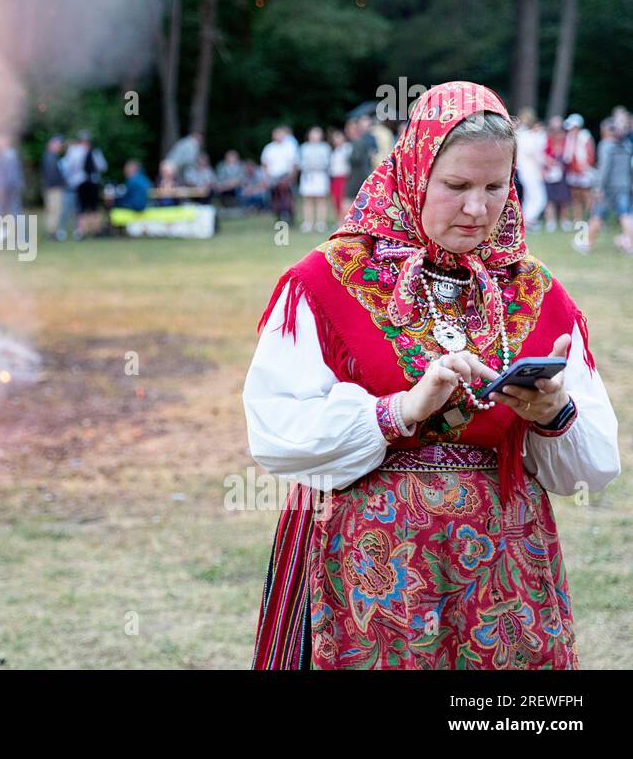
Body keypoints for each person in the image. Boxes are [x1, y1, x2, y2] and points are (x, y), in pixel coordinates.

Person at [244, 81, 620, 670]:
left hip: (501, 583)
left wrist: (554, 414)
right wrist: (400, 411)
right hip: (367, 577)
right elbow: (276, 432)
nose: (478, 209)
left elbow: (593, 469)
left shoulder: (534, 293)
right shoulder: (327, 281)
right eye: (456, 186)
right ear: (415, 169)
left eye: (497, 187)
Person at [587, 116, 633, 254]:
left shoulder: (606, 145)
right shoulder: (627, 145)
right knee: (625, 215)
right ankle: (630, 245)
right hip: (624, 185)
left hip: (608, 187)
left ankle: (587, 243)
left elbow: (604, 168)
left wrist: (598, 187)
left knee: (597, 214)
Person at [562, 114, 595, 236]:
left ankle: (592, 220)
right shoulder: (570, 138)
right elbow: (568, 155)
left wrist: (586, 166)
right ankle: (578, 221)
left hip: (583, 171)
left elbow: (590, 154)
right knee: (575, 197)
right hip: (573, 171)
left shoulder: (585, 137)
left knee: (587, 196)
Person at [296, 126, 332, 233]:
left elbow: (328, 162)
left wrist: (318, 166)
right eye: (313, 133)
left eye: (318, 134)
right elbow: (299, 162)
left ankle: (321, 223)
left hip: (320, 175)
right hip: (307, 176)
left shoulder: (325, 147)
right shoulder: (304, 147)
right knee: (308, 200)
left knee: (321, 199)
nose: (315, 136)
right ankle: (308, 222)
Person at [261, 126, 298, 223]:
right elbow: (264, 164)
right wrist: (266, 177)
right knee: (275, 199)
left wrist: (292, 177)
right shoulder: (269, 148)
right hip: (273, 176)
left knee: (288, 199)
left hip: (286, 175)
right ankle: (278, 218)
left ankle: (290, 218)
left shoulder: (290, 147)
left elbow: (294, 163)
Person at [542, 116, 571, 232]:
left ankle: (564, 220)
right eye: (554, 130)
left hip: (563, 173)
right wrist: (550, 163)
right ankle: (550, 221)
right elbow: (542, 155)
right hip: (550, 172)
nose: (557, 133)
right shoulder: (546, 140)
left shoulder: (566, 142)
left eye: (559, 130)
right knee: (550, 198)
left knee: (564, 198)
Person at [40, 135, 69, 240]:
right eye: (58, 145)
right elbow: (52, 175)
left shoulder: (51, 156)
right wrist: (62, 183)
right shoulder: (50, 157)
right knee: (54, 210)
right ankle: (52, 232)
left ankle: (52, 231)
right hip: (53, 188)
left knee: (54, 210)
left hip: (52, 187)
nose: (59, 147)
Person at [328, 127, 350, 222]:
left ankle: (345, 219)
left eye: (339, 137)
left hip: (344, 177)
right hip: (335, 178)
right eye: (335, 138)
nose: (337, 140)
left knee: (344, 199)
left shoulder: (348, 148)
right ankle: (338, 219)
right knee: (336, 199)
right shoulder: (334, 151)